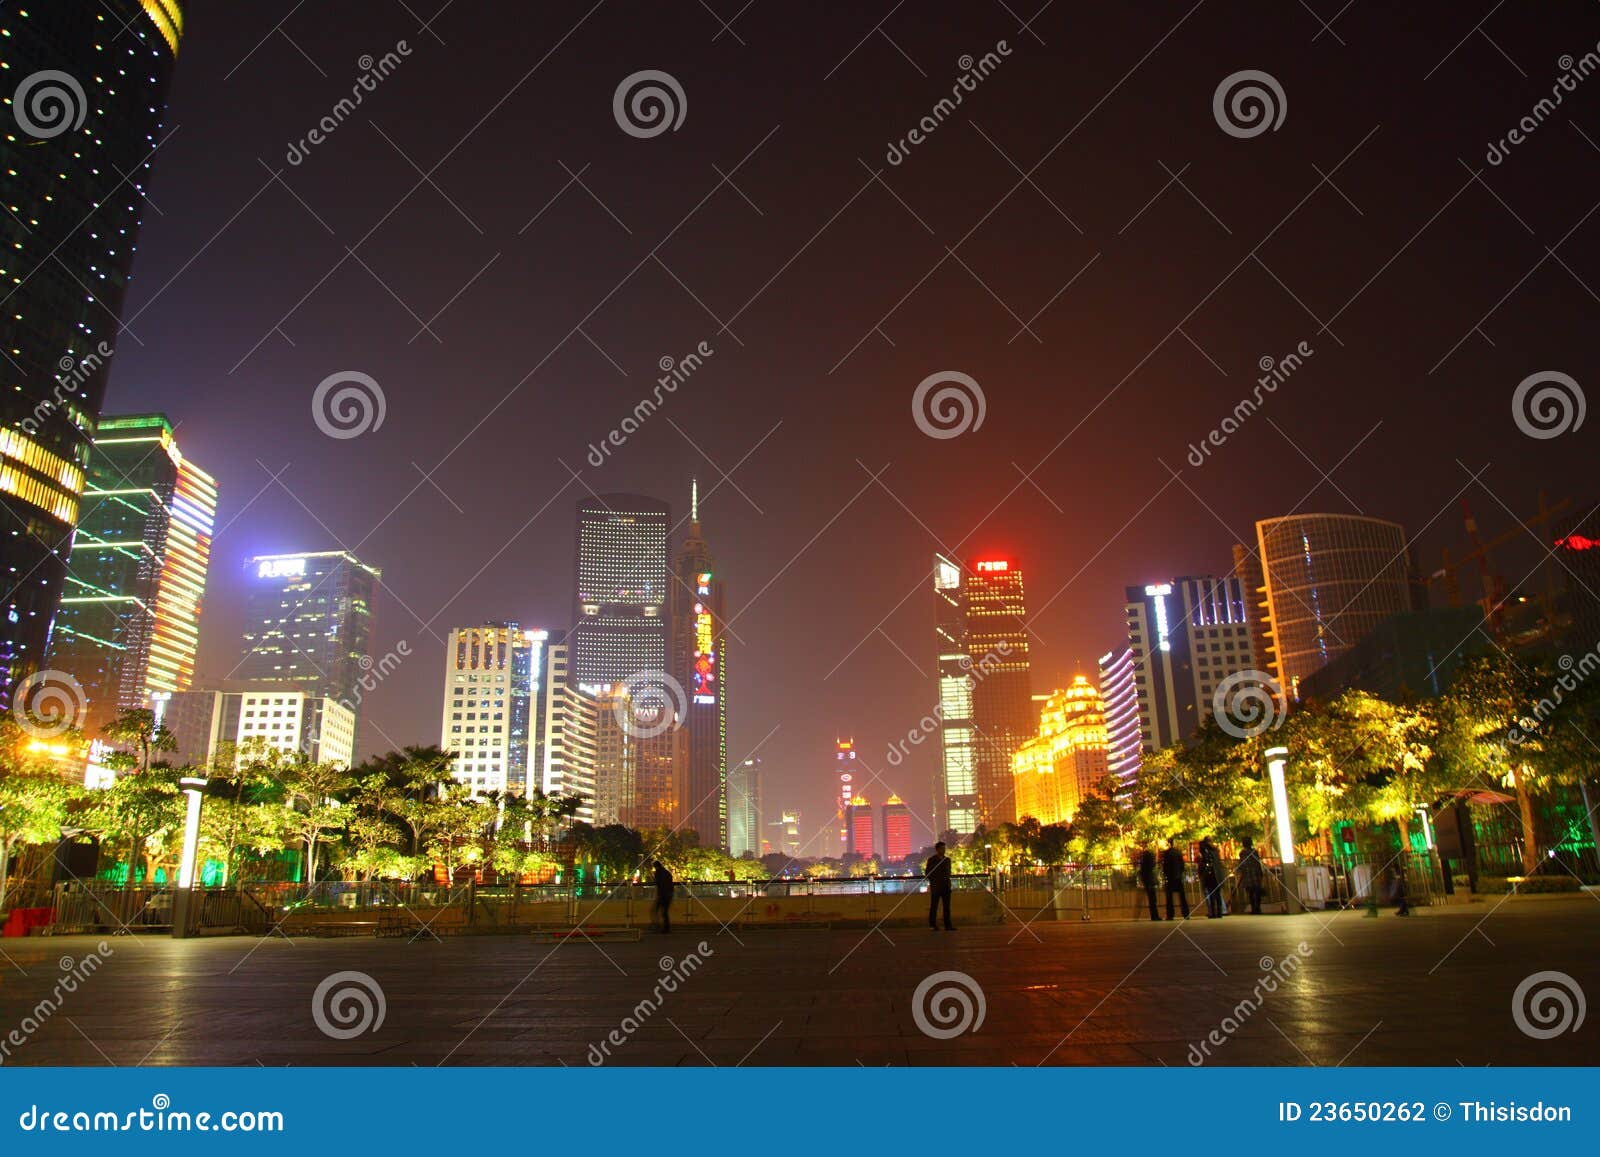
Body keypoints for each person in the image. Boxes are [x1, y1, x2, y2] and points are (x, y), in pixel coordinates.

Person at [924, 841, 954, 930]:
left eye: (944, 848)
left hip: (946, 886)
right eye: (942, 848)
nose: (944, 850)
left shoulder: (947, 860)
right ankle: (933, 925)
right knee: (934, 906)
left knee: (947, 907)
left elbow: (949, 872)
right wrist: (934, 881)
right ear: (937, 849)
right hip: (936, 886)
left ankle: (947, 925)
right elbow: (928, 873)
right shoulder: (932, 860)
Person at [1160, 837, 1189, 920]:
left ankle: (1170, 914)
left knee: (1169, 897)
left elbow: (1165, 866)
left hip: (1170, 877)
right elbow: (1182, 865)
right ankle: (1186, 913)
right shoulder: (1178, 853)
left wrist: (1166, 874)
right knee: (1182, 896)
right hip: (1178, 876)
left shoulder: (1167, 854)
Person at [1198, 837, 1225, 918]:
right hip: (1217, 874)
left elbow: (1206, 861)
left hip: (1210, 874)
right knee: (1217, 894)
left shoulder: (1206, 851)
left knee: (1212, 893)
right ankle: (1219, 912)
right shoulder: (1215, 850)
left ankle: (1213, 912)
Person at [1237, 840, 1265, 915]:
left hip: (1247, 874)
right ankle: (1258, 908)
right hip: (1255, 873)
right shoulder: (1254, 852)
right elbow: (1258, 863)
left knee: (1251, 892)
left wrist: (1240, 872)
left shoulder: (1242, 853)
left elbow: (1241, 864)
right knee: (1257, 891)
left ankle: (1253, 908)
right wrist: (1261, 872)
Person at [1137, 847, 1161, 921]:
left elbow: (1141, 873)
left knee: (1152, 900)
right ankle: (1155, 916)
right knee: (1153, 900)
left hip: (1148, 883)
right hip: (1150, 883)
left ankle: (1154, 916)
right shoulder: (1149, 868)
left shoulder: (1144, 867)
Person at [651, 859, 674, 933]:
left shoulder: (658, 873)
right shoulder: (666, 872)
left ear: (655, 866)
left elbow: (659, 883)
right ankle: (665, 927)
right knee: (664, 911)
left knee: (656, 910)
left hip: (663, 894)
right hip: (669, 894)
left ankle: (659, 926)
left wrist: (659, 895)